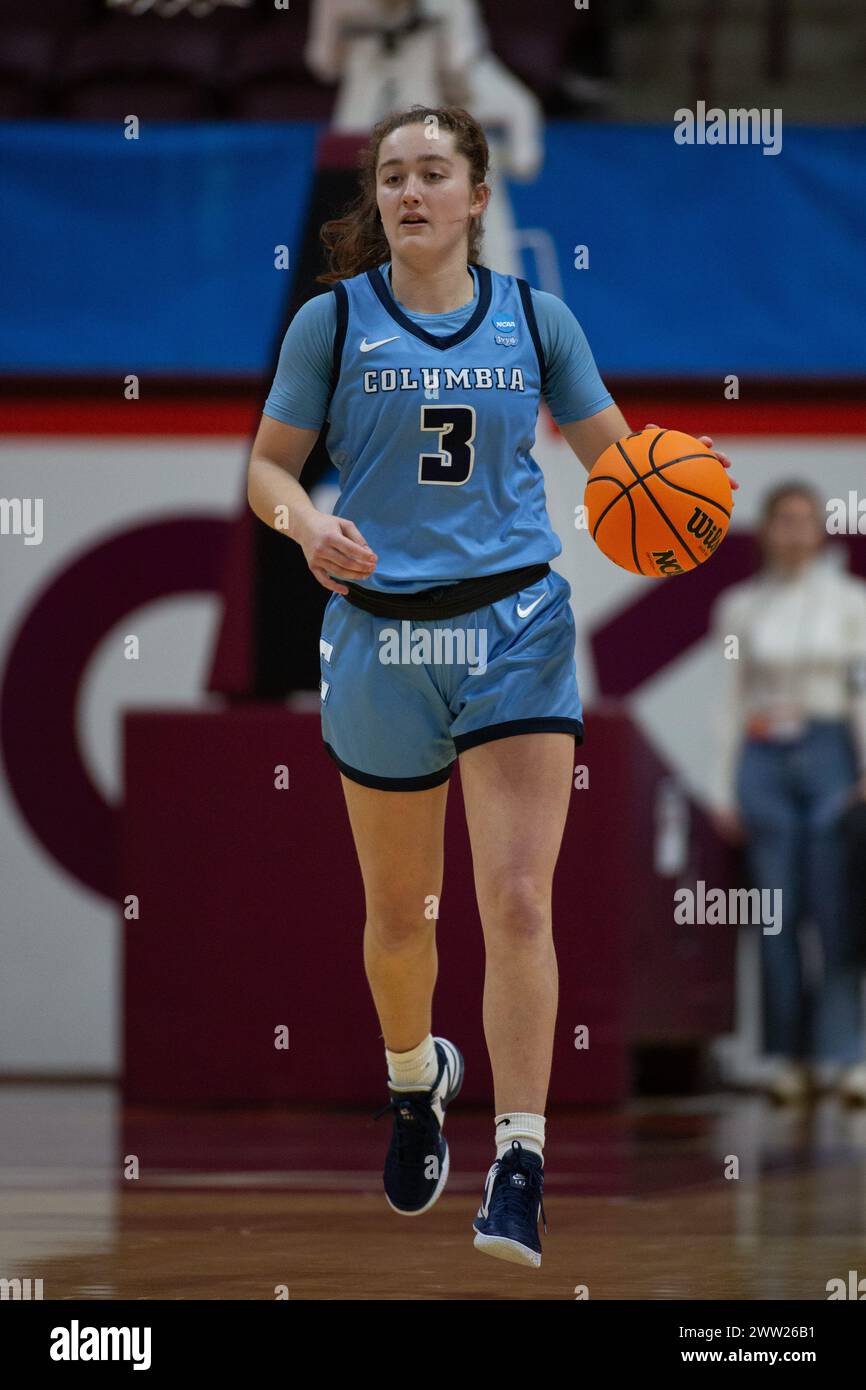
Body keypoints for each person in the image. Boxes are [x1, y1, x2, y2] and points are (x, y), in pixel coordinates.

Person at [247, 104, 733, 1267]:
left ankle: (519, 1162)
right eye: (393, 177)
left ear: (475, 194)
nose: (410, 193)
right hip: (379, 637)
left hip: (515, 623)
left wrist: (683, 506)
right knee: (398, 921)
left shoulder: (535, 317)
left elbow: (620, 464)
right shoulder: (330, 322)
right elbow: (267, 468)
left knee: (516, 900)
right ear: (379, 201)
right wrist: (309, 524)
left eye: (433, 174)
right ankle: (414, 1082)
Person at [709, 483, 866, 1105]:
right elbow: (728, 700)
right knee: (775, 911)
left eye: (807, 520)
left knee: (837, 910)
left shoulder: (853, 601)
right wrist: (723, 787)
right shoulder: (741, 607)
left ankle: (844, 1054)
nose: (796, 531)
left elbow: (860, 690)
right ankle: (785, 1058)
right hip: (765, 758)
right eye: (784, 520)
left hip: (830, 753)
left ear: (823, 529)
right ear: (767, 529)